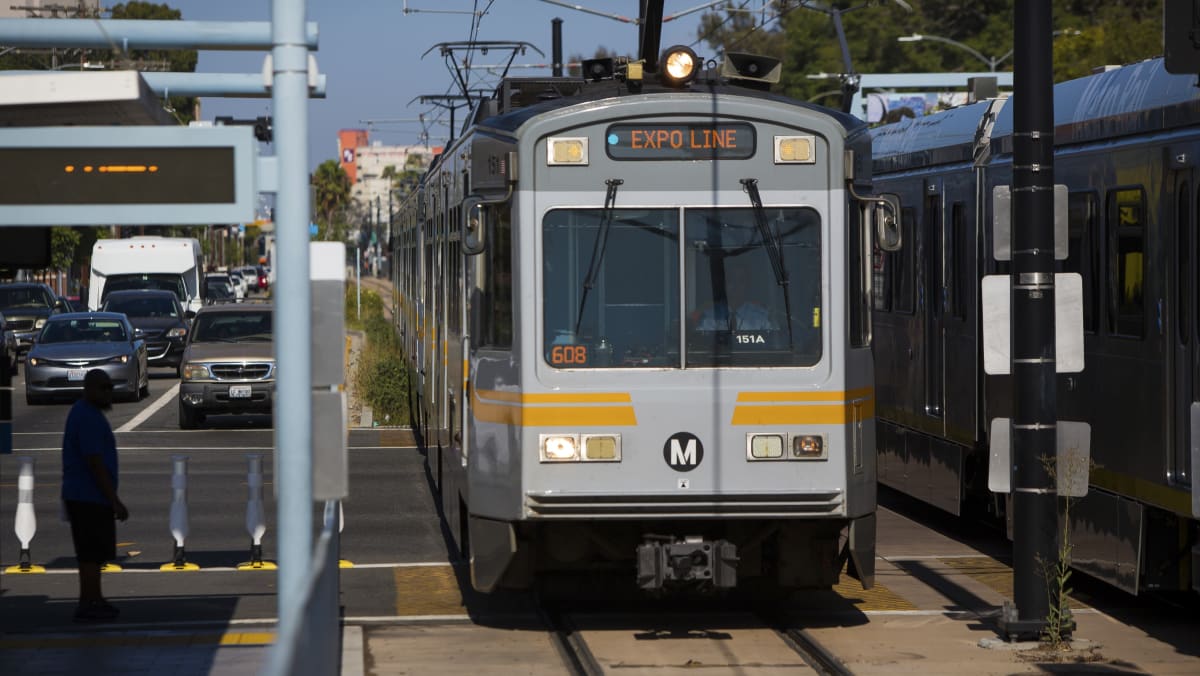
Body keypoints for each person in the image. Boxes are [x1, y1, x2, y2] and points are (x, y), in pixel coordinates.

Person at [61, 369, 128, 622]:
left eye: (110, 387)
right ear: (89, 389)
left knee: (95, 554)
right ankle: (88, 602)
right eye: (103, 387)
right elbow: (95, 462)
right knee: (90, 555)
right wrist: (114, 500)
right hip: (88, 496)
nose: (108, 392)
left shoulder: (88, 413)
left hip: (89, 496)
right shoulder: (87, 416)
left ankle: (94, 598)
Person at [693, 261, 778, 331]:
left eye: (741, 280)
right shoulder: (709, 316)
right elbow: (701, 344)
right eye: (731, 280)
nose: (736, 285)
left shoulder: (762, 316)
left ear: (747, 285)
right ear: (724, 284)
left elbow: (775, 344)